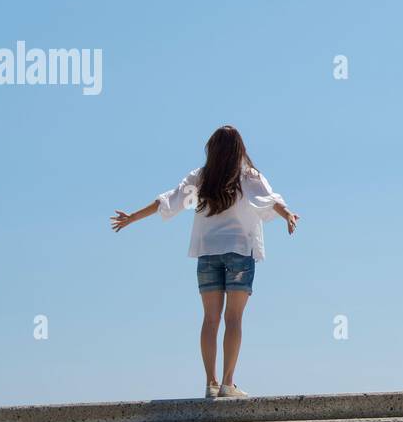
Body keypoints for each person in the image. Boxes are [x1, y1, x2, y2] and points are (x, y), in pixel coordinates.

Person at [110, 125, 298, 398]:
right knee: (233, 319)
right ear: (240, 149)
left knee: (210, 319)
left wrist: (132, 218)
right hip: (238, 253)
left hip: (208, 254)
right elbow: (268, 200)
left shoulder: (201, 178)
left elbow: (168, 201)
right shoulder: (247, 176)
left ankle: (211, 383)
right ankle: (228, 383)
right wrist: (288, 215)